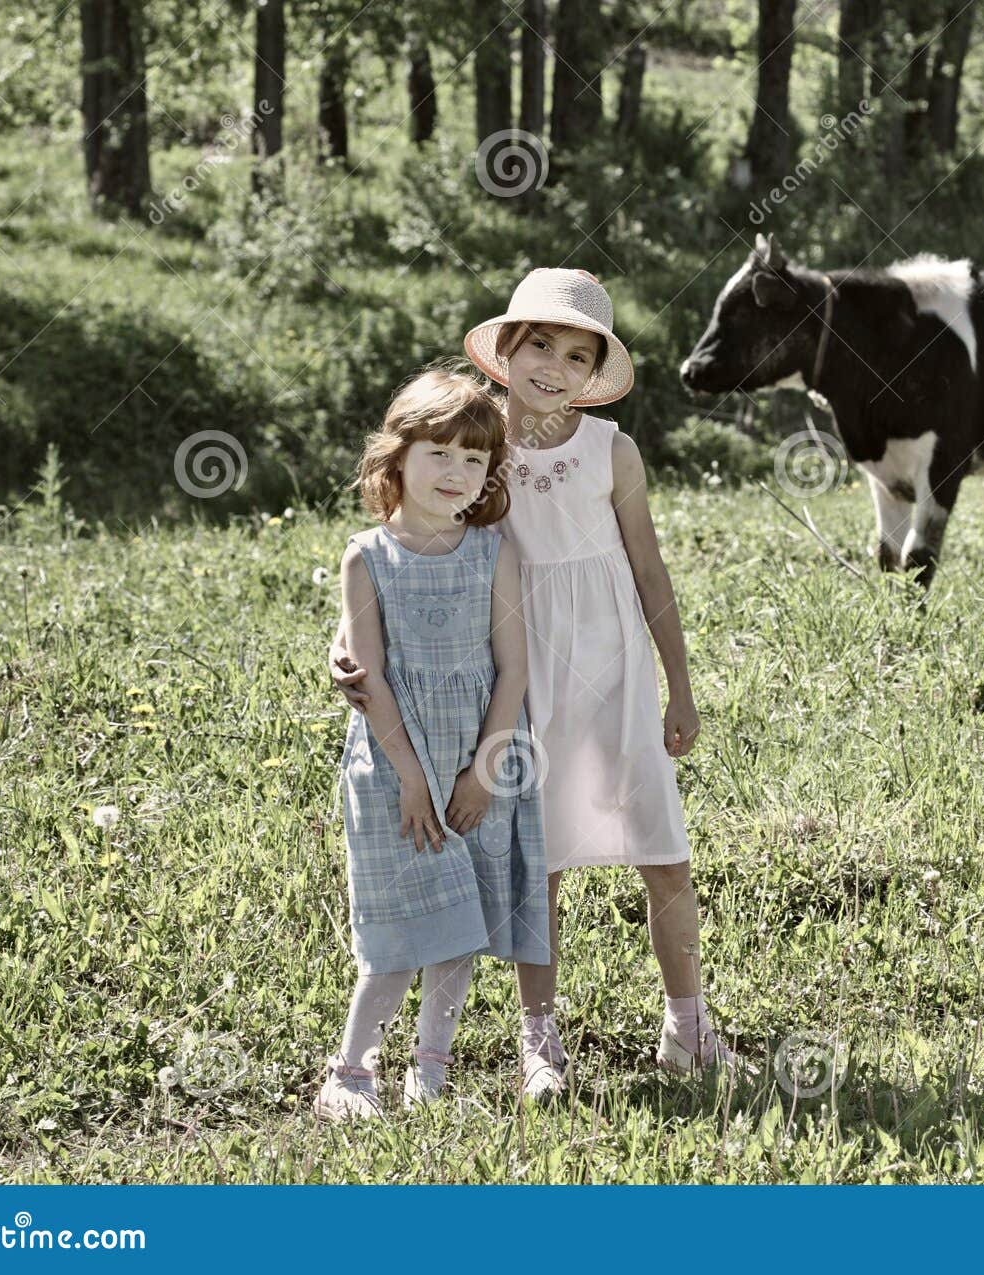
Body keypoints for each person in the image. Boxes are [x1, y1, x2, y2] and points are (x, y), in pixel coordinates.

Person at [331, 269, 735, 1103]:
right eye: (540, 344)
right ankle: (539, 1042)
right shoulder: (475, 444)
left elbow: (650, 567)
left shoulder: (611, 450)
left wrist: (680, 685)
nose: (554, 365)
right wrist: (346, 640)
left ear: (594, 375)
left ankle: (688, 1027)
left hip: (614, 661)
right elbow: (405, 546)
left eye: (576, 355)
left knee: (663, 854)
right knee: (536, 862)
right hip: (516, 674)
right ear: (506, 351)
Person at [315, 366, 550, 1122]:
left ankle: (432, 1072)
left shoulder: (493, 552)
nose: (456, 473)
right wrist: (412, 778)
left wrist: (485, 772)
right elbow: (371, 678)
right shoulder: (367, 557)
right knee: (401, 927)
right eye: (438, 454)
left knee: (463, 927)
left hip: (479, 759)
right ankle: (350, 1074)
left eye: (474, 460)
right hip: (394, 767)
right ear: (398, 458)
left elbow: (514, 669)